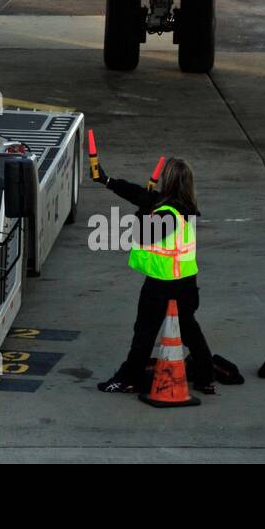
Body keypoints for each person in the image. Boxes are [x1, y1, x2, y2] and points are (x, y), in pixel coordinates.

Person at [94, 156, 216, 395]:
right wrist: (107, 181)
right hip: (187, 282)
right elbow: (139, 193)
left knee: (145, 332)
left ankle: (129, 378)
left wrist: (142, 213)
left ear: (167, 181)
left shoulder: (166, 215)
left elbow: (141, 235)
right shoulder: (184, 207)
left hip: (162, 283)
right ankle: (205, 377)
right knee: (190, 330)